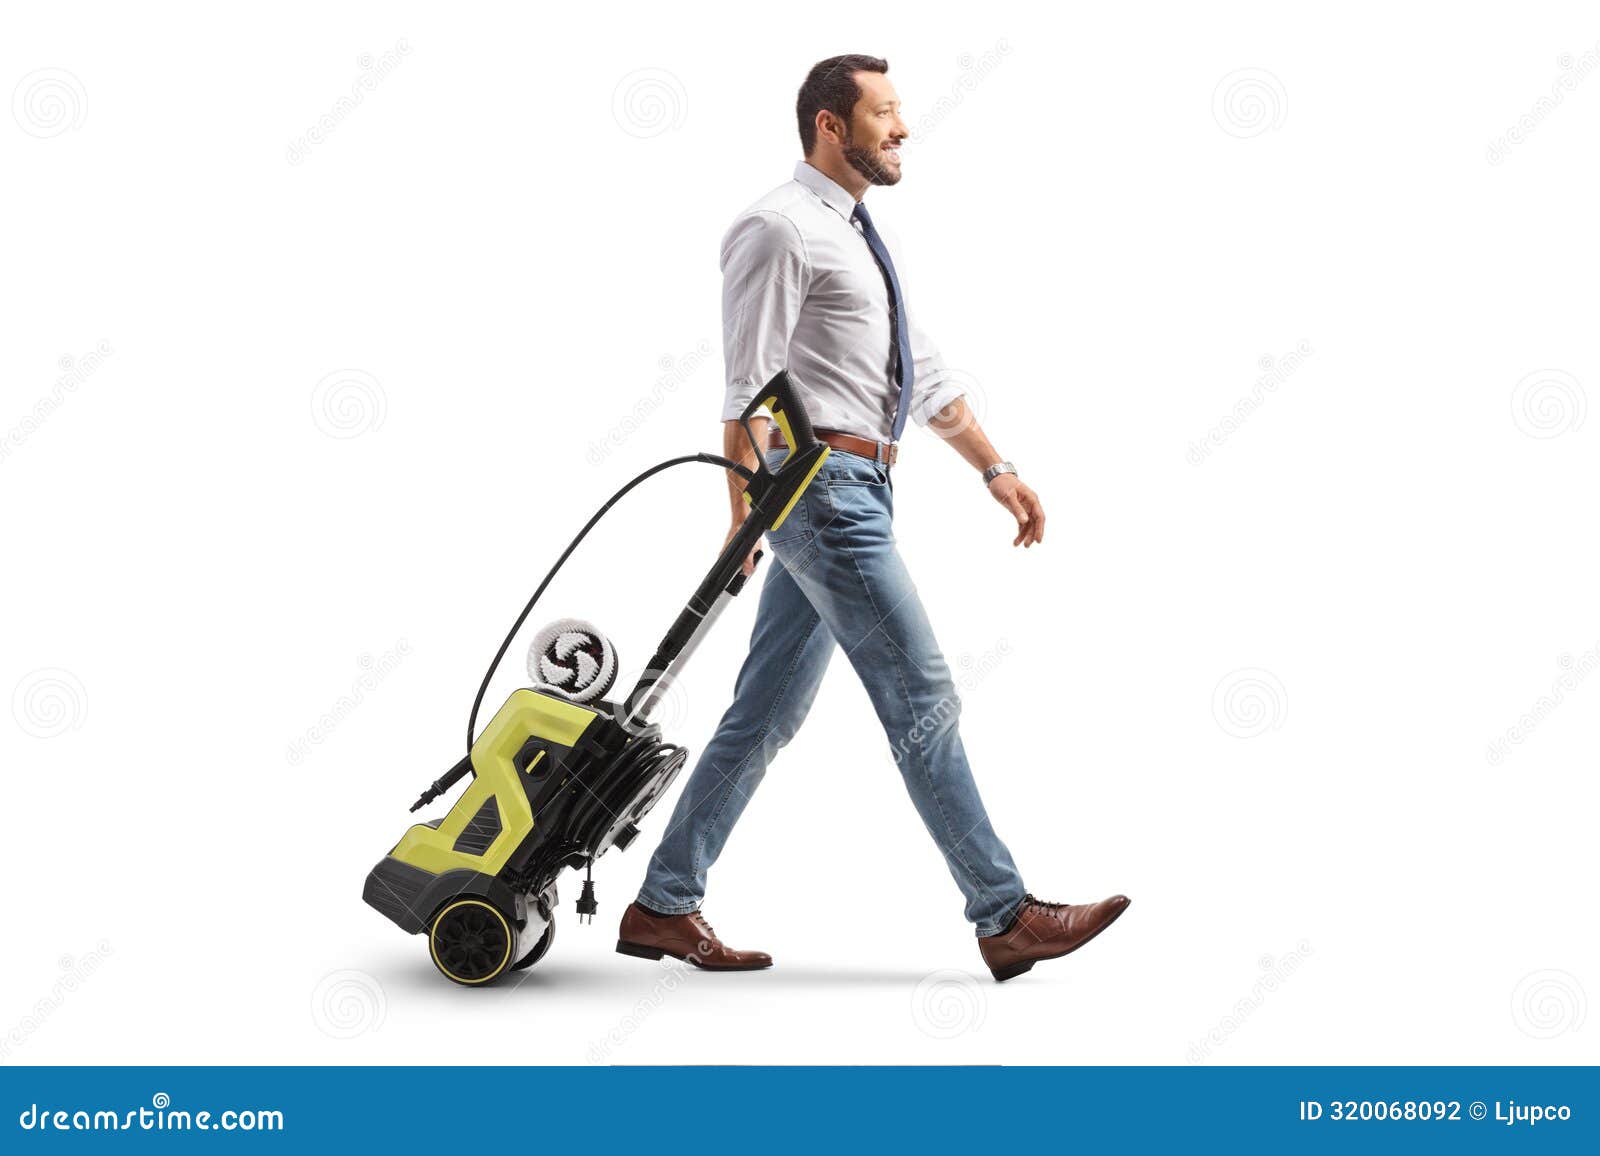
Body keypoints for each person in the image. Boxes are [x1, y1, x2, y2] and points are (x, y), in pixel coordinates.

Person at [618, 55, 1129, 982]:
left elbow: (919, 376)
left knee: (763, 714)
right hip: (820, 494)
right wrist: (742, 517)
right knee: (924, 697)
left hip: (863, 489)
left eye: (901, 113)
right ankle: (1005, 914)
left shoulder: (853, 234)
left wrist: (995, 469)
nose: (902, 128)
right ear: (829, 125)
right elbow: (750, 391)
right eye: (884, 113)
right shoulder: (776, 228)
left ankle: (663, 904)